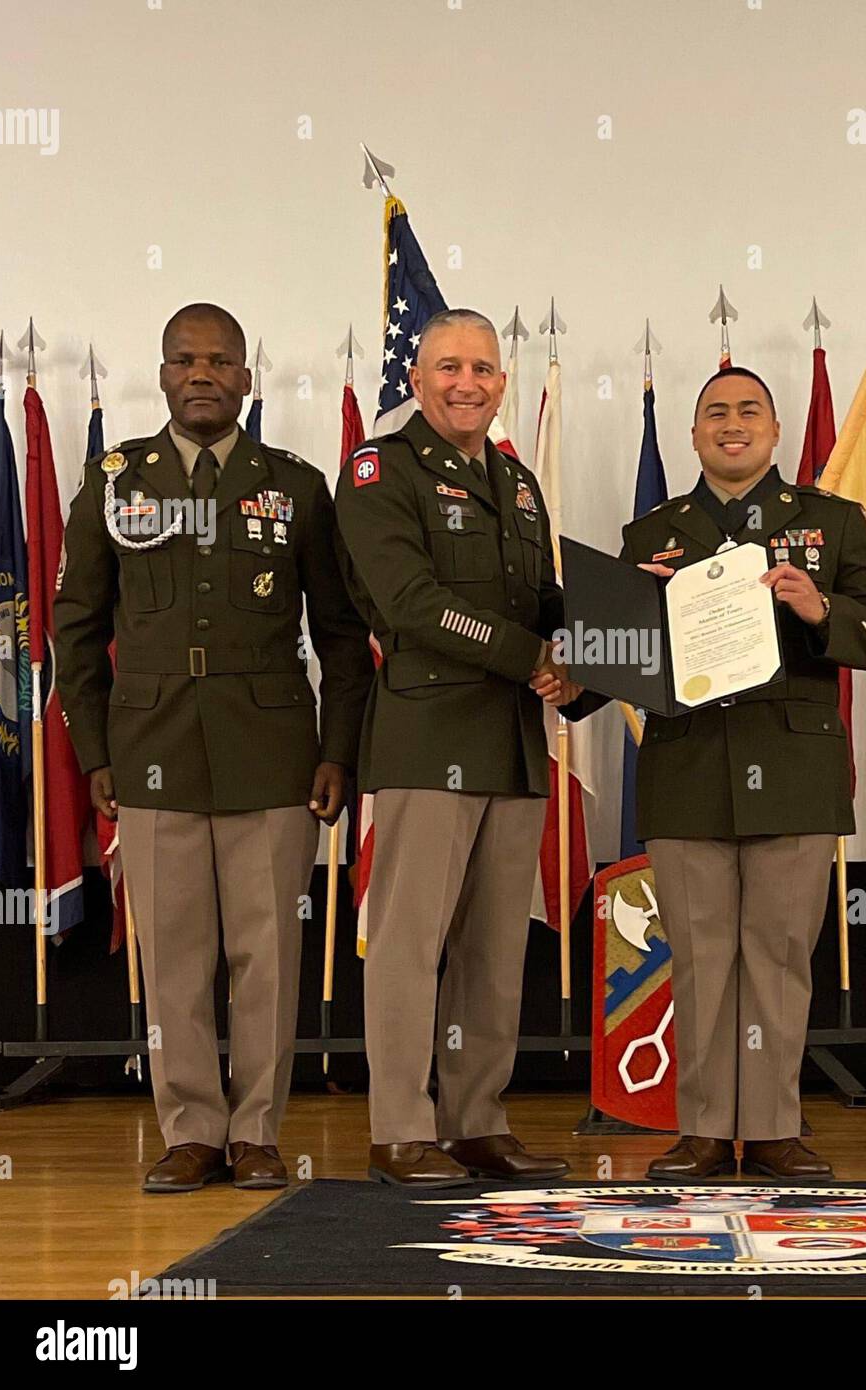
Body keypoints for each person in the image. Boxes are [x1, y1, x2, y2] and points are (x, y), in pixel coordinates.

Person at [537, 366, 866, 1178]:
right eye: (714, 413)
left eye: (749, 411)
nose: (731, 424)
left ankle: (773, 1127)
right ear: (694, 434)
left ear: (774, 432)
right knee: (701, 958)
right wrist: (575, 676)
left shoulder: (832, 523)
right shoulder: (651, 537)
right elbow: (626, 654)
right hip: (688, 772)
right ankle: (704, 1130)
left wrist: (821, 610)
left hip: (794, 773)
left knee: (777, 957)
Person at [54, 303, 373, 1193]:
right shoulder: (115, 482)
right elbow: (74, 631)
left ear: (246, 378)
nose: (202, 374)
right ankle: (192, 1130)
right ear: (161, 376)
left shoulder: (296, 485)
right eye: (185, 360)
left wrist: (338, 749)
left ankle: (257, 1131)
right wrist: (92, 754)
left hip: (272, 747)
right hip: (149, 744)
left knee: (267, 953)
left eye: (220, 361)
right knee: (176, 949)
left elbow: (343, 637)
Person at [334, 308, 573, 1187]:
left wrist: (592, 645)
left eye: (482, 368)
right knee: (408, 943)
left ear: (501, 382)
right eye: (448, 367)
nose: (466, 382)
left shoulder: (514, 483)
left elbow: (540, 596)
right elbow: (410, 602)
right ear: (418, 378)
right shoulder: (377, 472)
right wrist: (534, 656)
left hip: (511, 742)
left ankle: (476, 1121)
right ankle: (400, 1129)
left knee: (492, 948)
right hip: (427, 738)